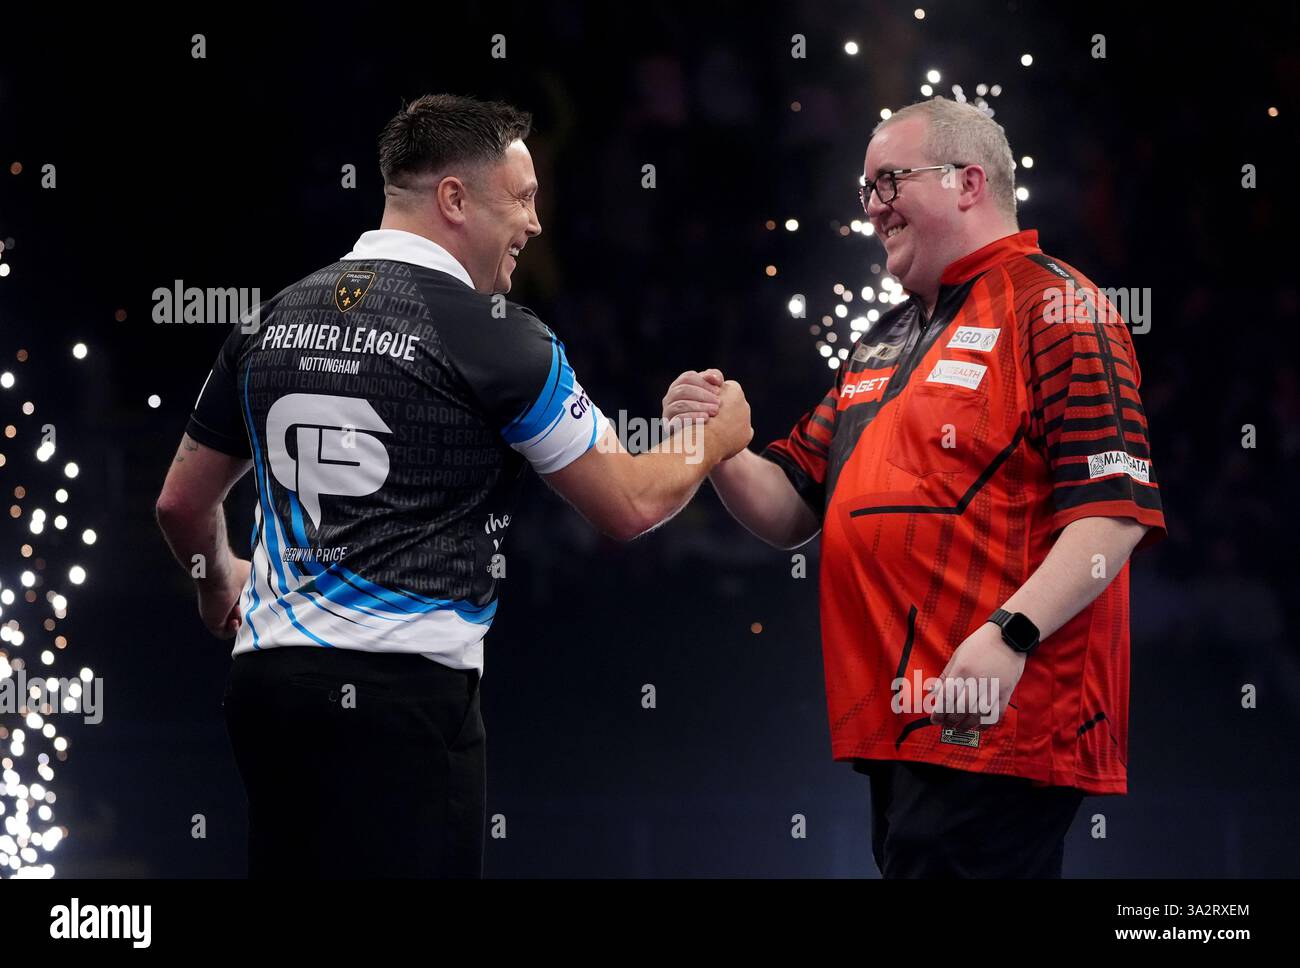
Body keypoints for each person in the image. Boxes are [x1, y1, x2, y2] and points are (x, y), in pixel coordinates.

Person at [155, 93, 752, 878]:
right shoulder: (496, 335)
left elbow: (179, 504)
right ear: (454, 199)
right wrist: (713, 438)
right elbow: (631, 502)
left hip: (270, 693)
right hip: (403, 704)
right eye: (524, 196)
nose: (535, 222)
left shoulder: (270, 320)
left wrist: (217, 581)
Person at [663, 97, 1166, 878]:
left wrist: (1011, 635)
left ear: (969, 183)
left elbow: (1115, 516)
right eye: (864, 190)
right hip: (901, 725)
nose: (872, 207)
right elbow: (793, 507)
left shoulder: (1058, 305)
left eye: (889, 180)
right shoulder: (885, 338)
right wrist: (723, 447)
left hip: (1003, 716)